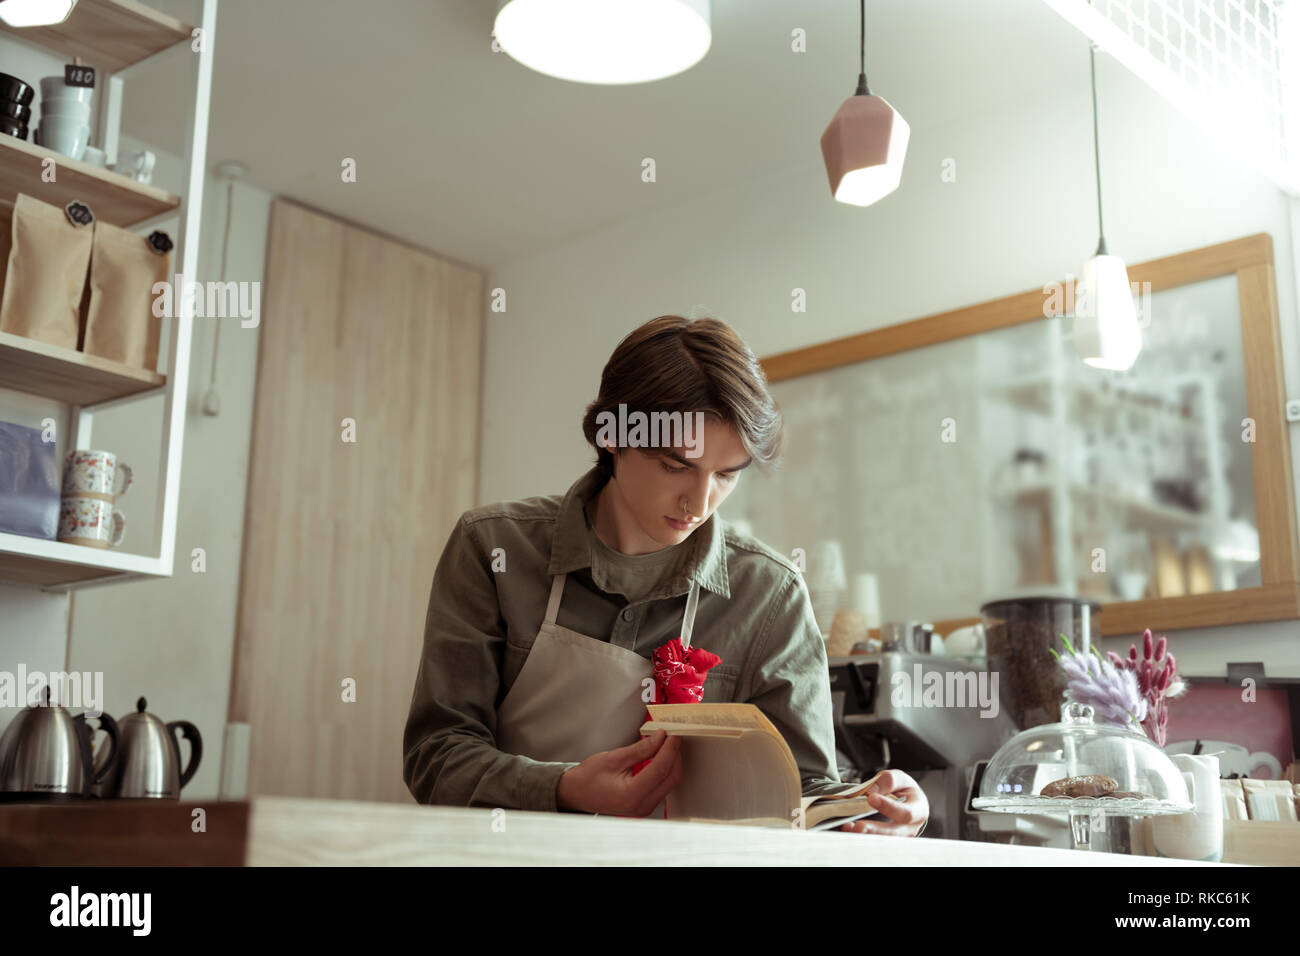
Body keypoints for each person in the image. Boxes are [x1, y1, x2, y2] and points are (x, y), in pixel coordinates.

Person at [402, 314, 928, 836]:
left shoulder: (769, 594)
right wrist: (564, 789)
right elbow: (437, 754)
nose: (699, 503)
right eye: (676, 465)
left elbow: (802, 792)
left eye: (726, 474)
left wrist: (871, 807)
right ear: (612, 436)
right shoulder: (493, 547)